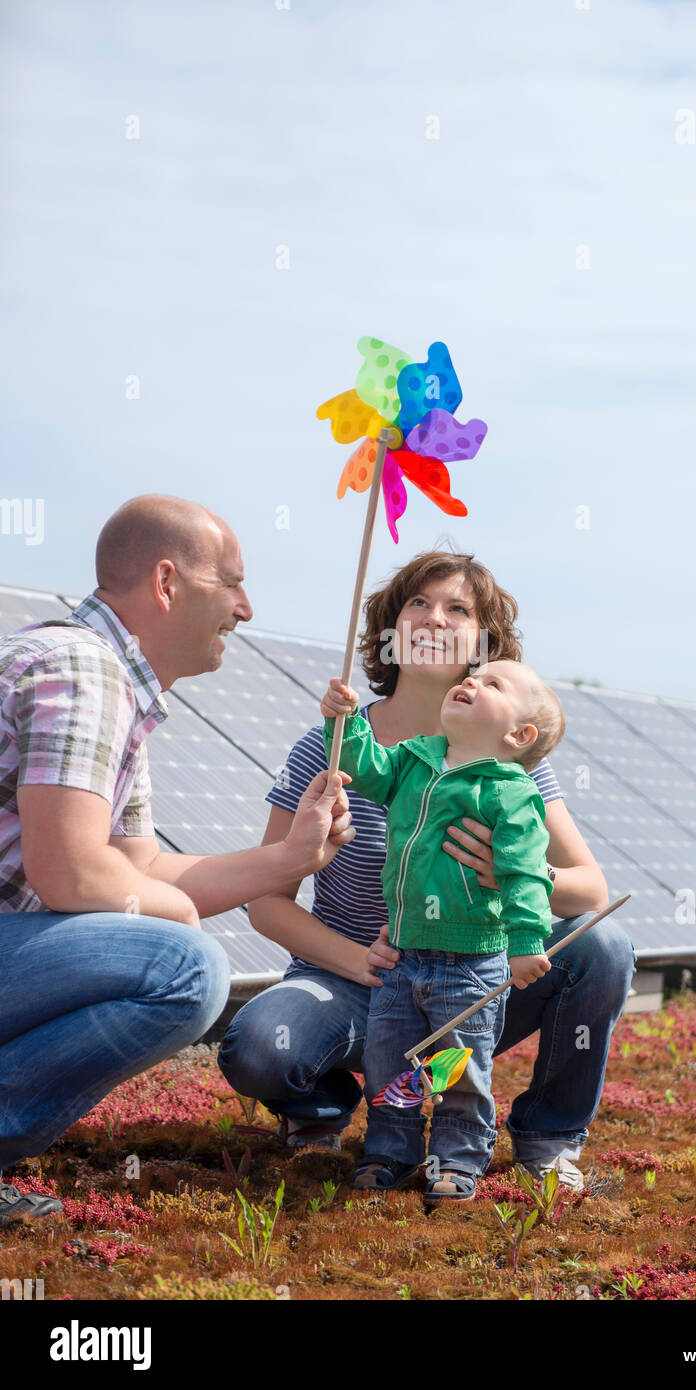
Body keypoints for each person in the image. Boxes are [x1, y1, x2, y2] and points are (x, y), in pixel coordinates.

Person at [218, 549, 637, 1191]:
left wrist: (514, 874)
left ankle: (548, 1140)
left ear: (483, 646)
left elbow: (592, 890)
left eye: (458, 609)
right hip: (353, 985)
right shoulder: (332, 745)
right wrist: (361, 961)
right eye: (418, 603)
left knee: (601, 946)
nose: (435, 619)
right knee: (259, 1044)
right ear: (392, 627)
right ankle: (320, 1116)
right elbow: (266, 902)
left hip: (468, 983)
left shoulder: (509, 762)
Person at [0, 494, 354, 1226]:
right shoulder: (83, 671)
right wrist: (181, 921)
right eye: (232, 583)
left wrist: (292, 856)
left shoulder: (107, 680)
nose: (246, 609)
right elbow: (72, 874)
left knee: (175, 950)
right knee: (186, 968)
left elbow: (137, 872)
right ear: (167, 583)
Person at [320, 660, 565, 1201]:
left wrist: (527, 943)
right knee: (388, 1061)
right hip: (402, 952)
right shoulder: (415, 759)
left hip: (469, 963)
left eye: (493, 684)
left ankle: (457, 1157)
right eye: (472, 676)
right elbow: (365, 770)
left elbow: (525, 874)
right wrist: (347, 722)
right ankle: (391, 1149)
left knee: (457, 1068)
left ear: (518, 735)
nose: (471, 681)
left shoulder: (511, 793)